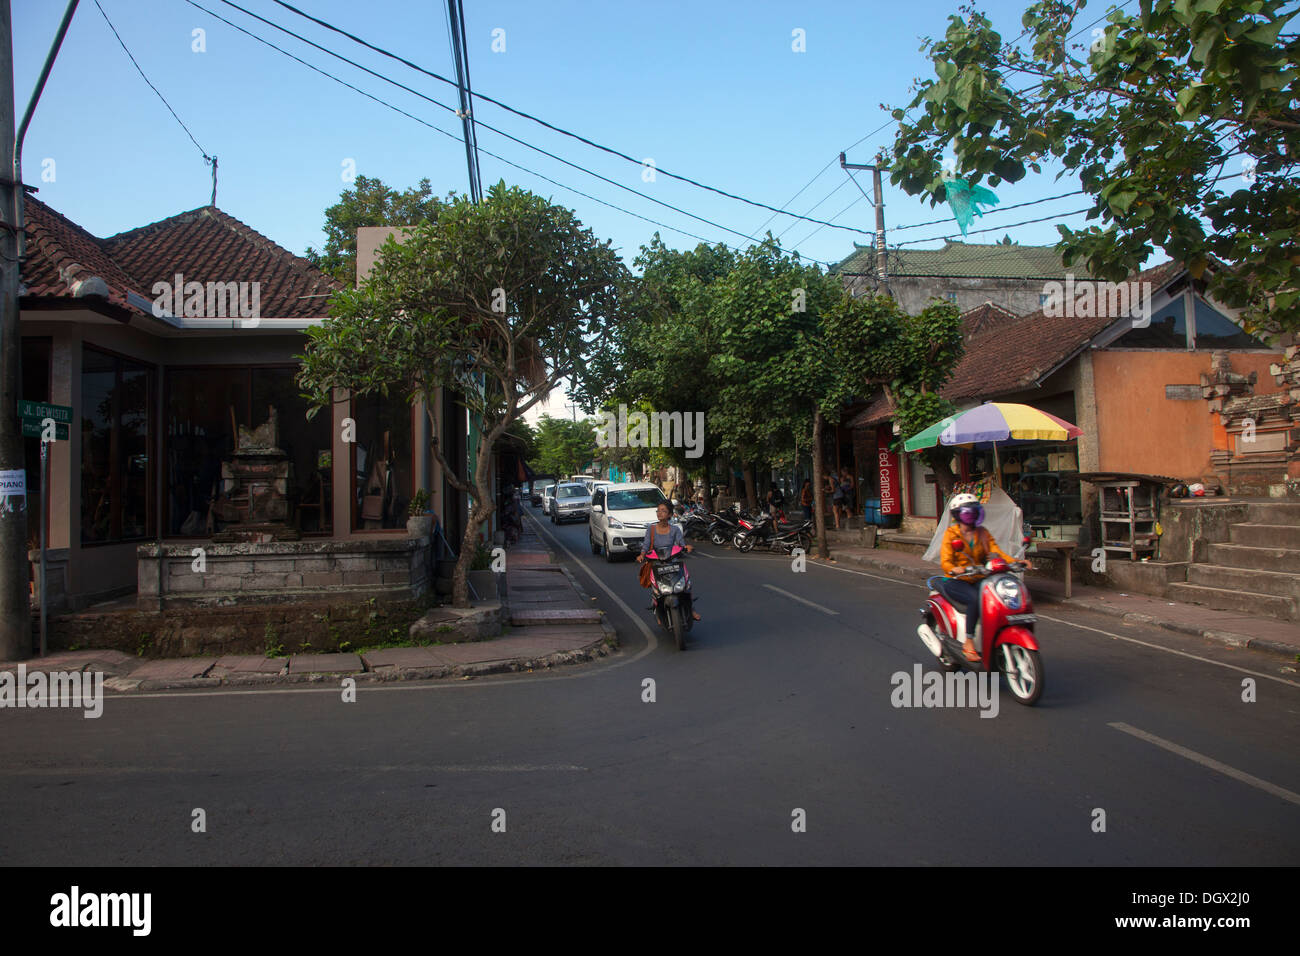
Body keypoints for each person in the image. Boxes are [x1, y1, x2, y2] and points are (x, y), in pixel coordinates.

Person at [939, 492, 1029, 661]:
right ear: (958, 515)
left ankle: (995, 635)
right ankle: (969, 642)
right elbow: (946, 561)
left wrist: (1016, 561)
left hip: (979, 577)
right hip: (957, 580)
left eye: (974, 512)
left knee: (997, 597)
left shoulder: (983, 533)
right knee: (975, 599)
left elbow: (997, 552)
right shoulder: (951, 535)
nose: (970, 516)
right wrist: (954, 569)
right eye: (967, 513)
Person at [637, 501, 699, 620]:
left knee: (686, 584)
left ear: (670, 515)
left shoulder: (675, 529)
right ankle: (658, 611)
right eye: (658, 510)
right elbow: (646, 545)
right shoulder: (651, 528)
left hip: (673, 562)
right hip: (656, 563)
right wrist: (642, 555)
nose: (660, 513)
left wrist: (686, 547)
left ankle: (691, 609)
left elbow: (681, 544)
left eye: (663, 511)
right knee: (657, 589)